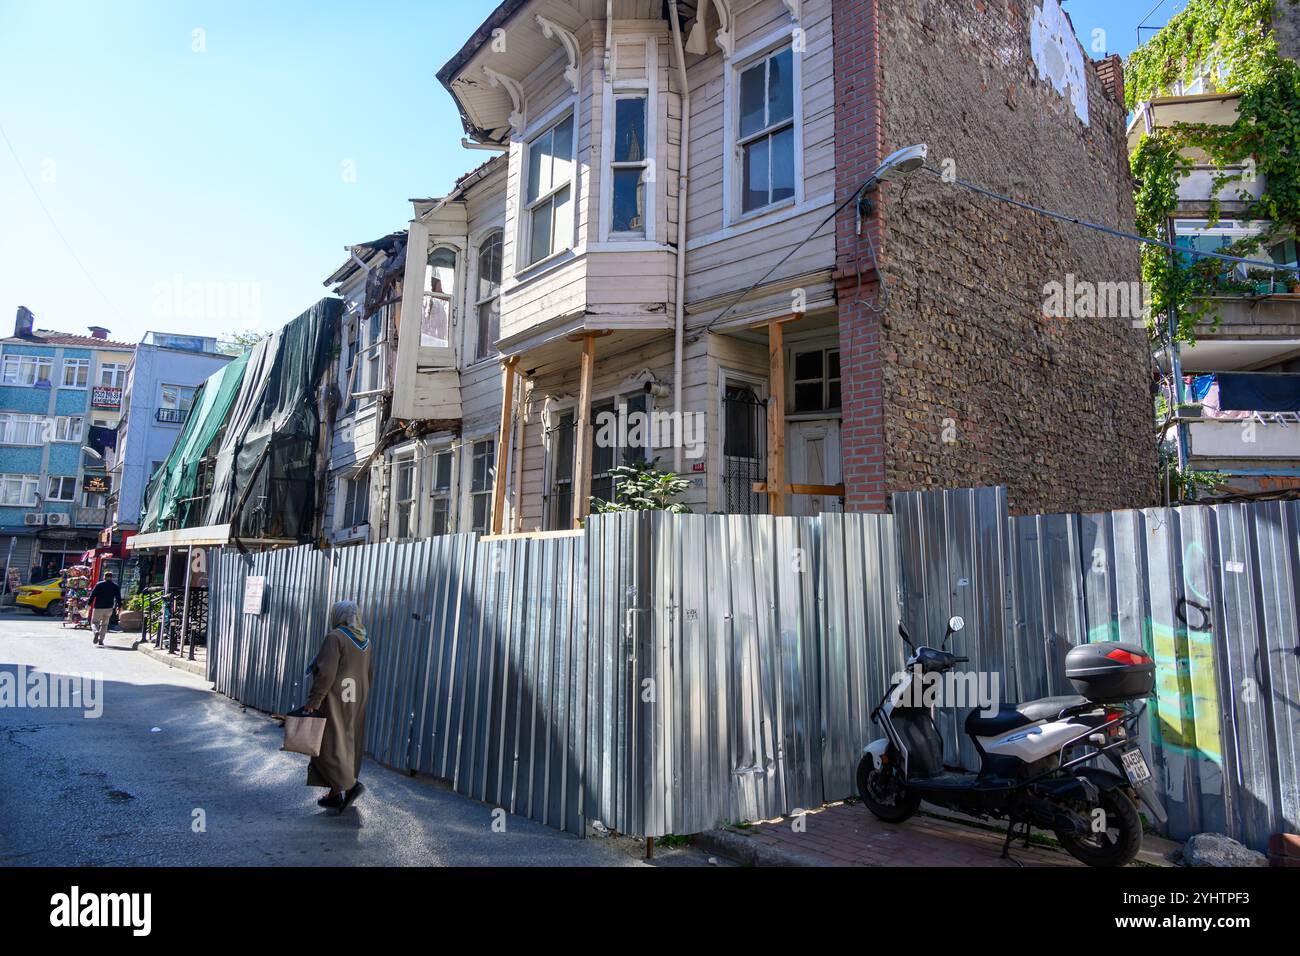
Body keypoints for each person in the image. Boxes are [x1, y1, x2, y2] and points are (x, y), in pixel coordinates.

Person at [302, 600, 373, 814]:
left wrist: (314, 701)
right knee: (348, 742)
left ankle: (349, 785)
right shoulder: (365, 639)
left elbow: (326, 673)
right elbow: (369, 672)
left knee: (326, 745)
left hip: (335, 698)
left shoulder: (335, 637)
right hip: (356, 697)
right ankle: (335, 794)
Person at [88, 571, 121, 646]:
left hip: (98, 607)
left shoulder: (99, 584)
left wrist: (89, 604)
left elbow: (93, 595)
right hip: (109, 608)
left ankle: (96, 632)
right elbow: (118, 598)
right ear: (111, 577)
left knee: (94, 622)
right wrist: (119, 607)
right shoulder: (115, 586)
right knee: (105, 625)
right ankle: (101, 640)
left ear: (104, 577)